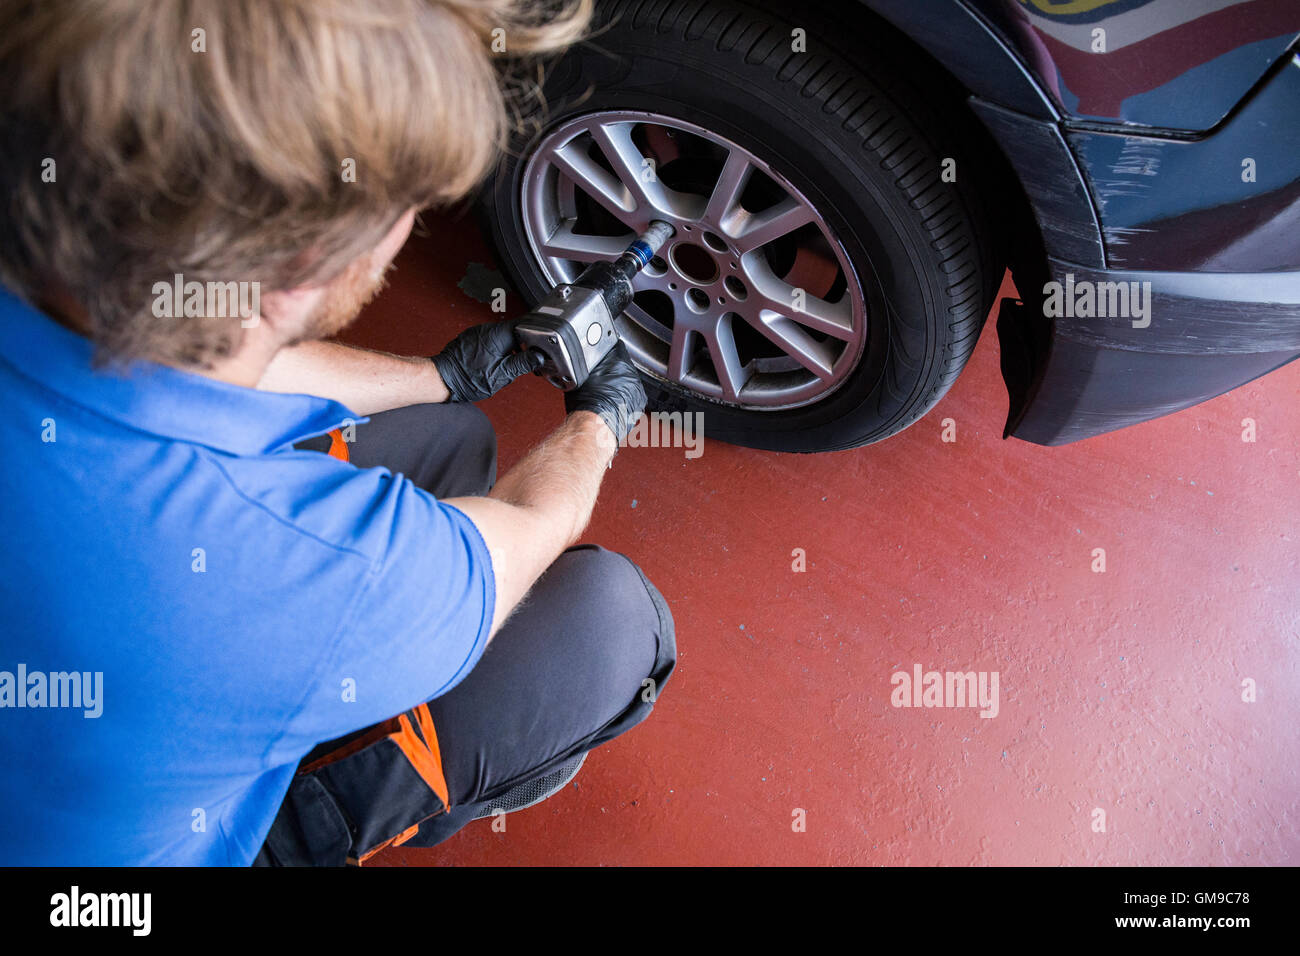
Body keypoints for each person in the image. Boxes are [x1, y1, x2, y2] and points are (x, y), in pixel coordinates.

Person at [0, 0, 675, 866]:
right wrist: (602, 420)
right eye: (410, 209)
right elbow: (533, 530)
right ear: (295, 272)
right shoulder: (293, 566)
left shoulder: (65, 264)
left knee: (450, 432)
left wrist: (443, 375)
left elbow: (200, 358)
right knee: (611, 623)